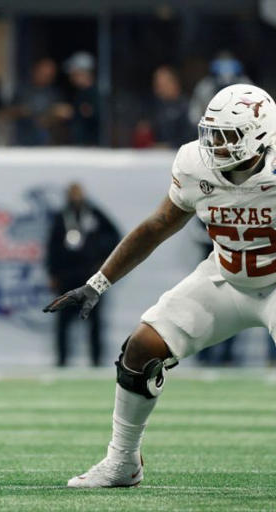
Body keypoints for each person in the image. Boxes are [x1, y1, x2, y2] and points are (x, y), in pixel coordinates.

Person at [44, 83, 276, 487]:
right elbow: (158, 226)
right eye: (212, 134)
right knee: (142, 347)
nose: (215, 146)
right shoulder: (195, 164)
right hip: (225, 275)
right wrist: (97, 284)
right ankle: (122, 463)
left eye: (228, 137)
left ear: (260, 136)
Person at [45, 183, 120, 366]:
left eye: (78, 193)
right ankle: (62, 361)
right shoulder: (61, 216)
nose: (76, 197)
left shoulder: (93, 213)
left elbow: (115, 236)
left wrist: (103, 259)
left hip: (91, 277)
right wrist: (53, 273)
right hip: (67, 276)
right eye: (73, 193)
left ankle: (96, 361)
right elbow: (52, 247)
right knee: (63, 321)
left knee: (95, 322)